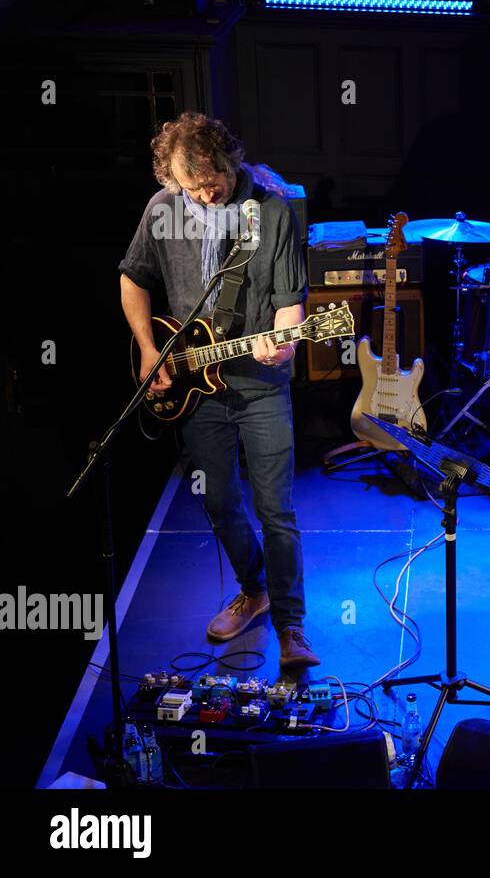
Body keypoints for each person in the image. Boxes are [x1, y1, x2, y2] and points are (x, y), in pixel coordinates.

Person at [118, 112, 317, 668]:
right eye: (192, 187)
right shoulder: (162, 210)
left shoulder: (272, 212)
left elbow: (289, 301)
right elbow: (132, 277)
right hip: (193, 386)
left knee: (275, 506)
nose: (206, 195)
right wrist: (148, 347)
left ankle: (292, 625)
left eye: (215, 182)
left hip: (260, 385)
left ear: (232, 163)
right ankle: (254, 589)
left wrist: (285, 341)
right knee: (217, 499)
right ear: (171, 180)